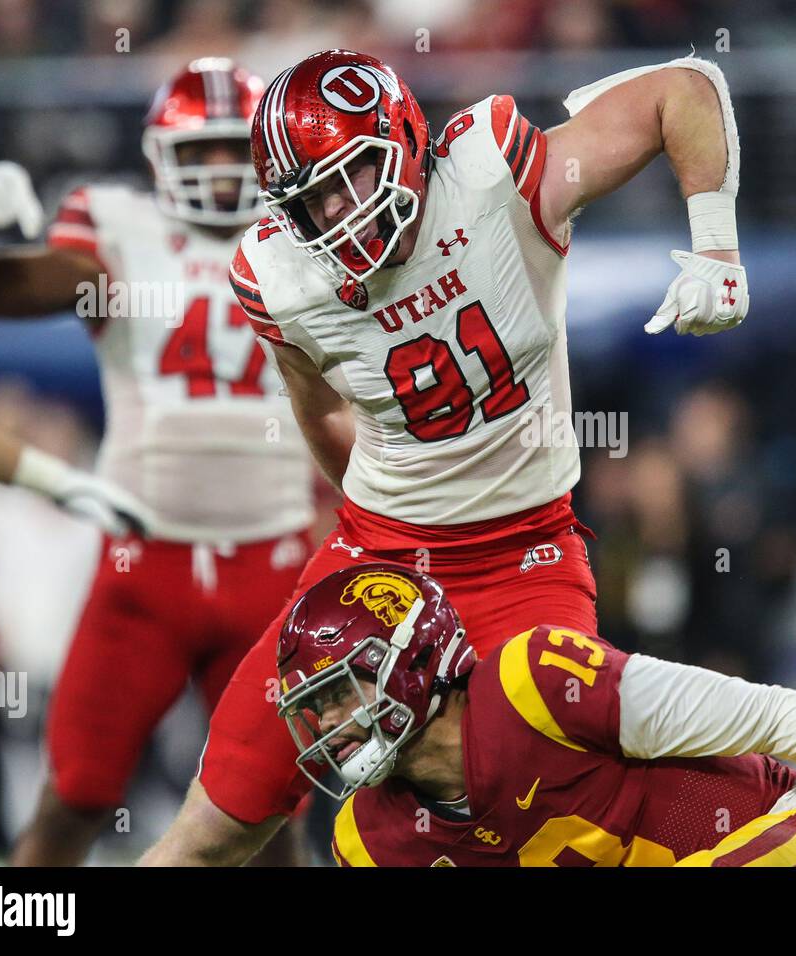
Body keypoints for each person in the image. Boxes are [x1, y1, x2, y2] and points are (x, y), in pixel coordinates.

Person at [142, 49, 752, 865]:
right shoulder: (283, 277)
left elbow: (684, 89)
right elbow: (319, 409)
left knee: (549, 819)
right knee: (216, 824)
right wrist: (376, 524)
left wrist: (716, 248)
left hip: (523, 557)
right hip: (380, 555)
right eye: (311, 200)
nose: (336, 214)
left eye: (348, 178)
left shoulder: (492, 179)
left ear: (401, 139)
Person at [0, 58, 317, 865]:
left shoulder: (312, 232)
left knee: (268, 821)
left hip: (274, 563)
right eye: (201, 154)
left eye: (236, 152)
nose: (223, 174)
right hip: (144, 563)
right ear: (159, 160)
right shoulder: (120, 226)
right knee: (77, 794)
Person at [276, 564, 796, 867]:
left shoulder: (533, 685)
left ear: (414, 665)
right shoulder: (368, 842)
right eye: (318, 708)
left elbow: (771, 716)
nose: (334, 722)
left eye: (342, 691)